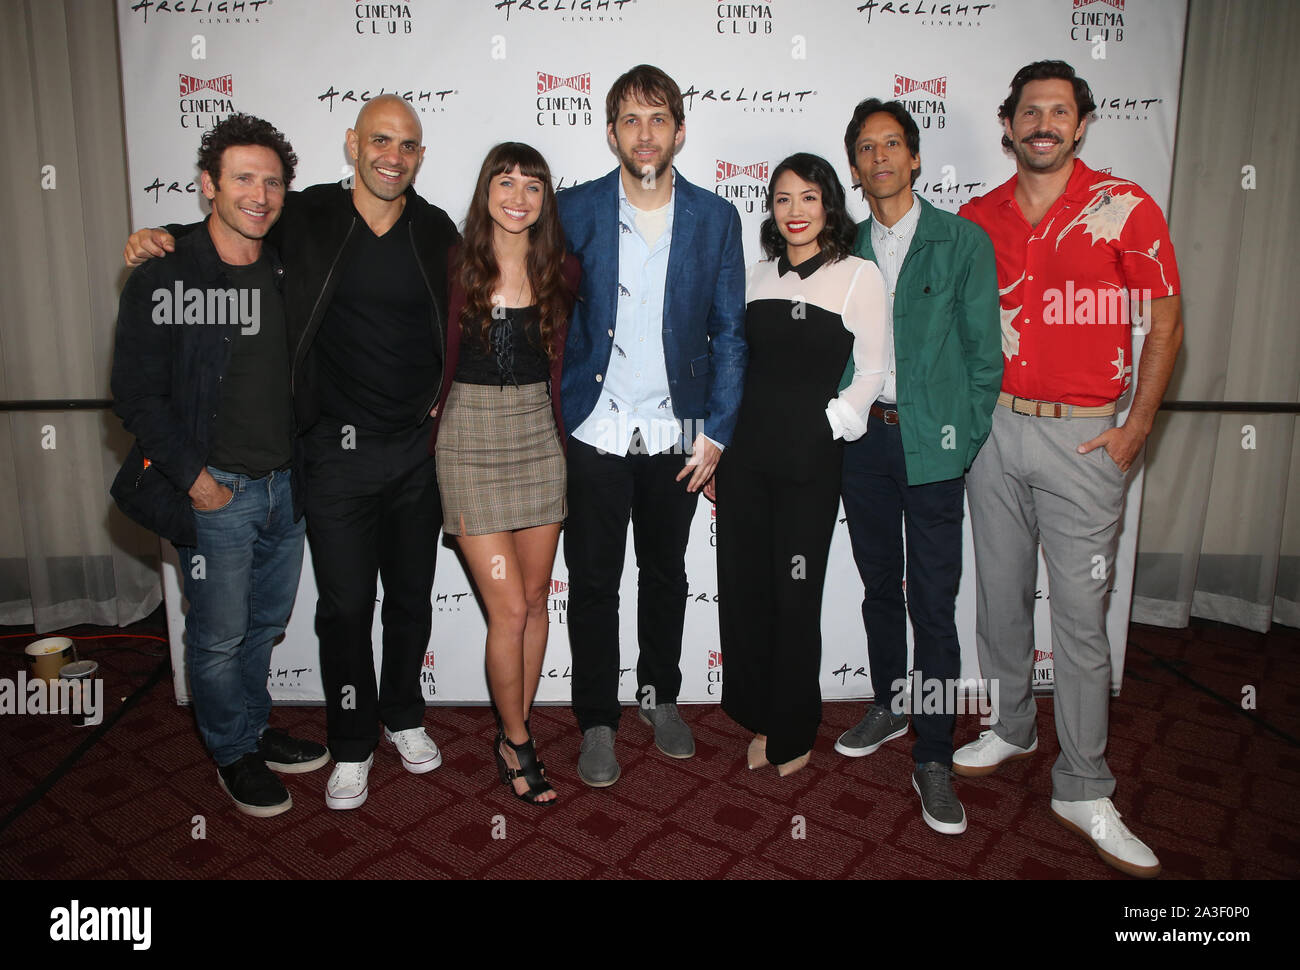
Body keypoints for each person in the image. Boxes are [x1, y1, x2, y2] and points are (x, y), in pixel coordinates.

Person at [125, 95, 461, 810]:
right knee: (342, 611)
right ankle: (349, 742)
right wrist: (164, 236)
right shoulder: (305, 216)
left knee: (408, 601)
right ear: (352, 142)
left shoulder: (437, 231)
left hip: (414, 456)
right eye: (379, 140)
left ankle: (402, 715)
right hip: (332, 456)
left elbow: (472, 309)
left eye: (407, 144)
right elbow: (230, 231)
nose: (392, 156)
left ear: (421, 155)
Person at [955, 60, 1183, 877]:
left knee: (1081, 617)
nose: (1043, 123)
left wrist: (1138, 426)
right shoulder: (977, 217)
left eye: (1059, 111)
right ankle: (1012, 725)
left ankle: (1083, 783)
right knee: (1001, 596)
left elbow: (1165, 321)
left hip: (1086, 440)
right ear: (1008, 123)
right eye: (1029, 111)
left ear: (1081, 124)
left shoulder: (1126, 206)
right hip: (994, 434)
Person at [111, 113, 328, 817]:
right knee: (216, 637)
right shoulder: (166, 273)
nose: (259, 195)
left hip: (285, 488)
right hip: (217, 493)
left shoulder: (288, 266)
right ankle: (231, 753)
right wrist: (195, 481)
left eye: (271, 182)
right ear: (209, 185)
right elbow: (136, 394)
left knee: (263, 627)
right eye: (243, 179)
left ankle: (254, 729)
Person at [557, 65, 747, 788]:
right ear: (611, 133)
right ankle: (597, 720)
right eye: (630, 120)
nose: (645, 133)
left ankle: (658, 696)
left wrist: (719, 432)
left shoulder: (715, 218)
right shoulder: (573, 210)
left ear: (680, 131)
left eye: (657, 118)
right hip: (594, 428)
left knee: (666, 574)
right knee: (595, 581)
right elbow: (545, 314)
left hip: (679, 433)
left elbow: (730, 332)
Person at [832, 99, 1002, 835]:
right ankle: (889, 704)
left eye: (892, 144)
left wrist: (957, 446)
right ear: (854, 166)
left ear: (916, 157)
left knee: (933, 604)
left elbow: (983, 359)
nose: (880, 159)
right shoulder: (842, 249)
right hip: (863, 443)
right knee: (879, 588)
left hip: (934, 447)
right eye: (866, 149)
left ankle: (934, 751)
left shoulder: (961, 241)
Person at [710, 153, 887, 777]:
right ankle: (757, 713)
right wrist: (715, 447)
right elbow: (728, 364)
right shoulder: (753, 276)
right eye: (783, 199)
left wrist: (835, 423)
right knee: (745, 591)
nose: (795, 211)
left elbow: (872, 370)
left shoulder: (858, 275)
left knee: (795, 593)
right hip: (744, 461)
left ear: (829, 205)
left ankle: (794, 725)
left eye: (808, 198)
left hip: (809, 464)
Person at [430, 143, 579, 805]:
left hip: (538, 438)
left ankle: (517, 730)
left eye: (533, 186)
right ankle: (515, 738)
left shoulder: (563, 270)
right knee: (510, 607)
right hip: (468, 440)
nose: (518, 196)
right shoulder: (453, 263)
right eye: (505, 181)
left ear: (547, 198)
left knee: (537, 600)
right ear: (485, 187)